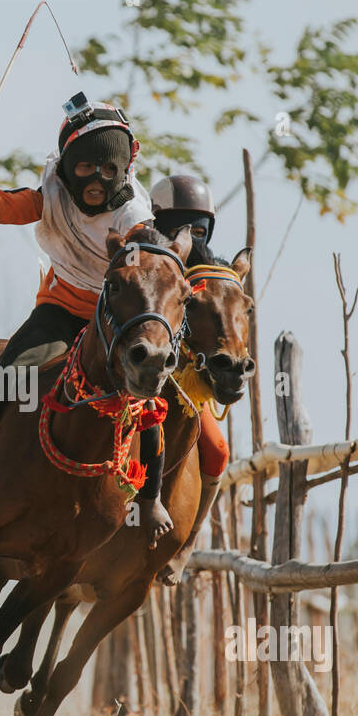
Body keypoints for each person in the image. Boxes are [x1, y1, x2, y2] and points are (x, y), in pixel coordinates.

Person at [0, 94, 174, 542]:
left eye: (107, 171)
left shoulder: (134, 215)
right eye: (84, 170)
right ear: (66, 168)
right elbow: (8, 207)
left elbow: (146, 254)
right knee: (9, 371)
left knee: (146, 399)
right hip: (61, 307)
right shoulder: (53, 193)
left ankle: (150, 498)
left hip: (111, 319)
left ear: (124, 169)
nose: (96, 181)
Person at [150, 174, 235, 581]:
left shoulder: (216, 274)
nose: (191, 237)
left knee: (217, 449)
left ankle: (188, 542)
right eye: (181, 227)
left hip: (185, 387)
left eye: (199, 228)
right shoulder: (145, 258)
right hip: (136, 374)